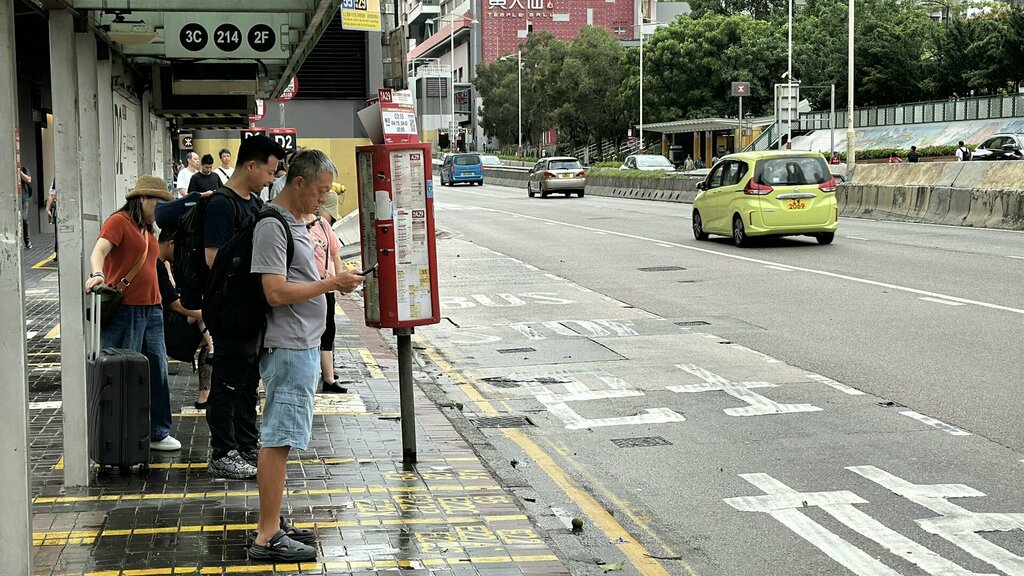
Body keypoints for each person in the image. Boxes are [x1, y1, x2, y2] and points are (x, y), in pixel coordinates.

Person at [248, 150, 364, 562]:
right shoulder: (273, 225)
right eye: (319, 191)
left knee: (284, 437)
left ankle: (274, 521)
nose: (323, 199)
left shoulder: (299, 221)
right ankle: (266, 535)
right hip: (288, 346)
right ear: (298, 183)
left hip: (303, 344)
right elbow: (275, 292)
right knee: (278, 439)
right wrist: (330, 284)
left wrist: (333, 280)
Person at [203, 135, 286, 480]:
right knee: (227, 384)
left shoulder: (254, 203)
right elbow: (213, 260)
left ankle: (246, 444)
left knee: (248, 382)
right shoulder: (222, 205)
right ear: (251, 165)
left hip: (250, 310)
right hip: (230, 311)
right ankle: (223, 453)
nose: (270, 180)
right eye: (268, 172)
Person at [83, 175, 181, 452]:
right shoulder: (119, 222)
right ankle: (119, 432)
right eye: (158, 203)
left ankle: (158, 431)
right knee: (123, 372)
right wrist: (98, 274)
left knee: (157, 371)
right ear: (142, 199)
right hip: (126, 309)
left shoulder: (147, 229)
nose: (160, 209)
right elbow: (99, 250)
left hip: (153, 308)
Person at [156, 227, 213, 410]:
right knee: (209, 326)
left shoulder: (158, 263)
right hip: (169, 327)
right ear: (171, 244)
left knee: (205, 324)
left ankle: (205, 395)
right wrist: (206, 313)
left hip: (165, 323)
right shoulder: (157, 265)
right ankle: (205, 394)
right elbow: (176, 306)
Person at [305, 189, 348, 393]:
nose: (319, 203)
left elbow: (335, 254)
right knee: (308, 332)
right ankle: (310, 375)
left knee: (328, 330)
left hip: (327, 286)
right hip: (306, 288)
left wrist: (340, 281)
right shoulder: (293, 224)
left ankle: (329, 379)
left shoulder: (322, 225)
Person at [18, 164, 32, 249]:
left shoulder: (24, 169)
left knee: (24, 218)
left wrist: (19, 172)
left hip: (24, 198)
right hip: (14, 198)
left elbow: (28, 180)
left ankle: (27, 241)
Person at [45, 178, 57, 258]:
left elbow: (52, 194)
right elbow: (52, 194)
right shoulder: (56, 179)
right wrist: (48, 208)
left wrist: (48, 208)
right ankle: (58, 251)